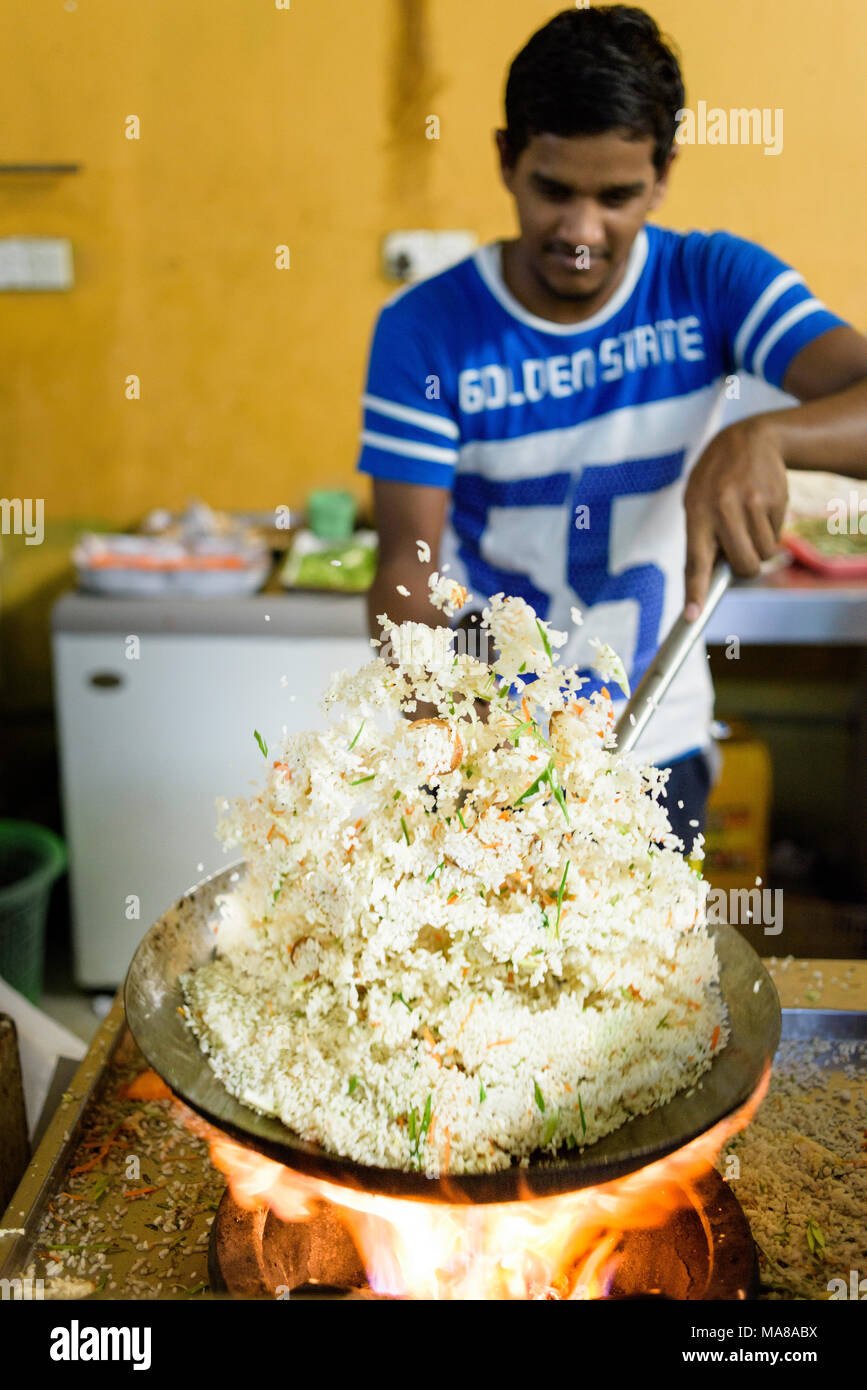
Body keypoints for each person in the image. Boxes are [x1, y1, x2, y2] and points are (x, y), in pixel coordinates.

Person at [357, 5, 867, 850]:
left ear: (663, 175)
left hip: (652, 746)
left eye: (617, 196)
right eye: (553, 191)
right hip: (485, 755)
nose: (582, 234)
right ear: (505, 159)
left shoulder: (708, 282)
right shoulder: (425, 330)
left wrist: (766, 437)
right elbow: (405, 573)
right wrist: (451, 736)